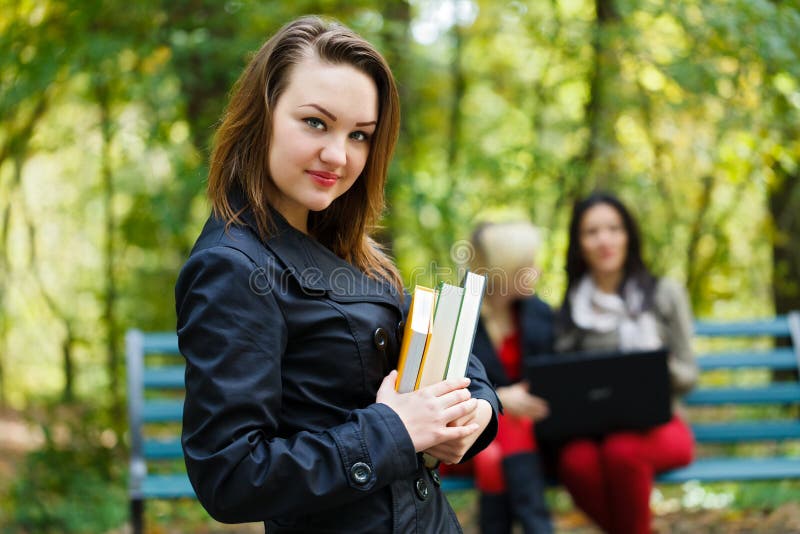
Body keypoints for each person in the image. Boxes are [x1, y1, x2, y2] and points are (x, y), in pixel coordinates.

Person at [174, 16, 500, 533]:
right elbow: (230, 476)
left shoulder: (353, 249)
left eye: (359, 135)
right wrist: (393, 432)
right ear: (262, 115)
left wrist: (478, 413)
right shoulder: (232, 265)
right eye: (315, 123)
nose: (338, 155)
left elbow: (442, 359)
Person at [554, 192, 697, 534]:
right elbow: (563, 380)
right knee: (575, 461)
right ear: (579, 244)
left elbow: (690, 374)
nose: (605, 240)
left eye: (614, 229)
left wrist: (655, 364)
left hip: (661, 424)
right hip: (593, 429)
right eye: (592, 232)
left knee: (623, 452)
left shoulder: (664, 293)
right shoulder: (573, 306)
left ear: (628, 235)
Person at [468, 221, 554, 534]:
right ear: (508, 268)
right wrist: (500, 399)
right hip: (470, 432)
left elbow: (553, 374)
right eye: (529, 265)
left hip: (532, 431)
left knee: (497, 453)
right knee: (494, 447)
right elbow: (446, 381)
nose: (538, 271)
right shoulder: (464, 318)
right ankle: (538, 526)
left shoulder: (539, 314)